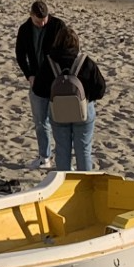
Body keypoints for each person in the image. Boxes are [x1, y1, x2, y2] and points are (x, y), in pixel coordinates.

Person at [44, 23, 107, 173]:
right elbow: (100, 89)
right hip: (83, 111)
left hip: (58, 111)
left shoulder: (49, 63)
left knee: (62, 150)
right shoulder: (85, 62)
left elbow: (39, 89)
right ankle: (85, 182)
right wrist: (88, 97)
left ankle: (64, 183)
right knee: (84, 149)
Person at [14, 0, 69, 169]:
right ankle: (44, 157)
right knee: (40, 122)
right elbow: (20, 54)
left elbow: (68, 50)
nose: (42, 23)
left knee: (60, 122)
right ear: (31, 16)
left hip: (57, 81)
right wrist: (29, 74)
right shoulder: (24, 29)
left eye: (44, 19)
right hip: (37, 82)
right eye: (39, 21)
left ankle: (63, 160)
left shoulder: (58, 26)